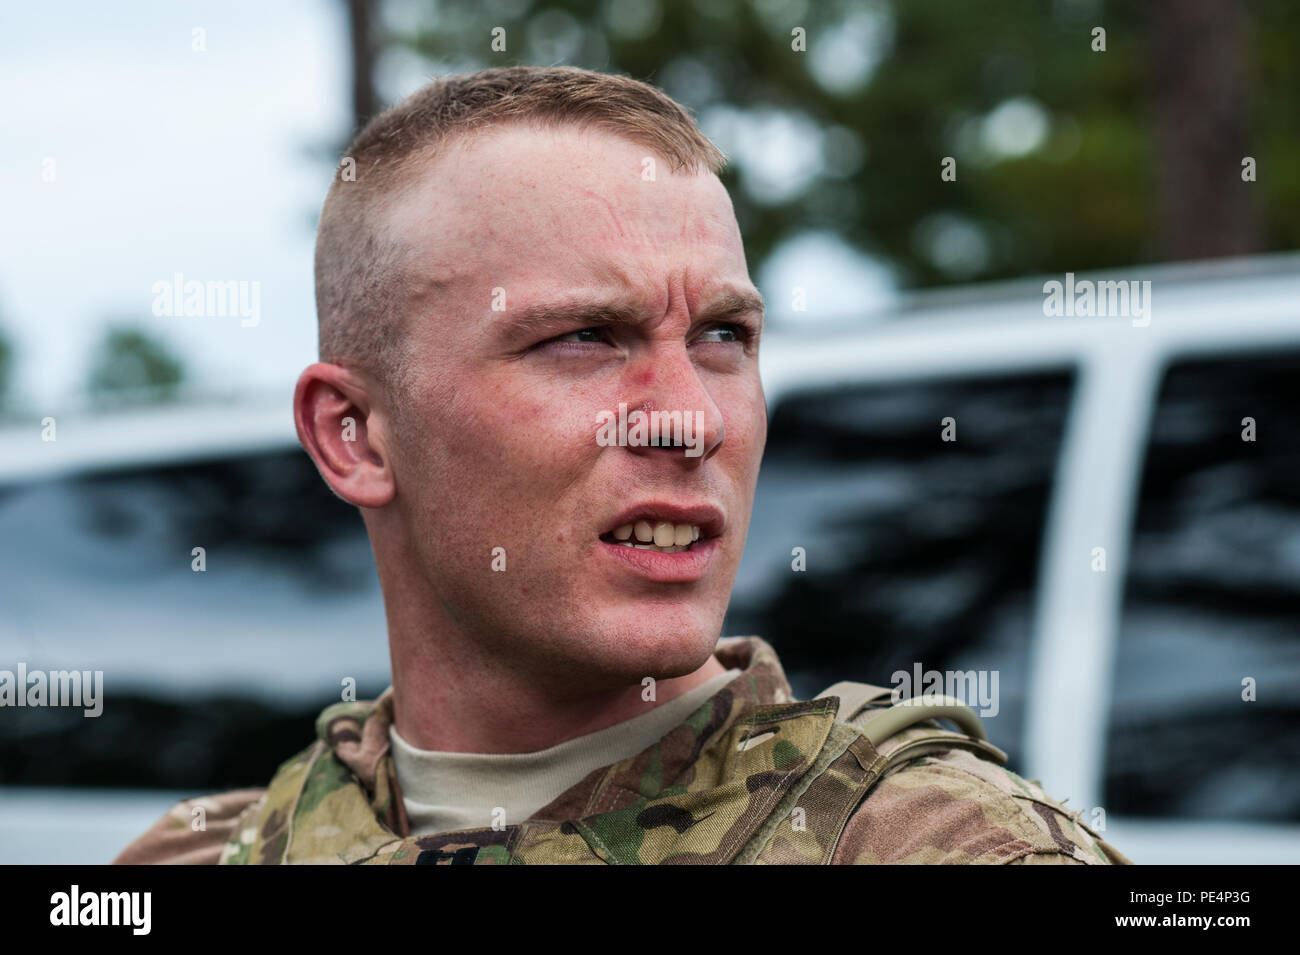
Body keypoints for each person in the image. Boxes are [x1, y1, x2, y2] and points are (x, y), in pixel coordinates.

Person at [114, 65, 1130, 866]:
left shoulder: (939, 847)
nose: (692, 420)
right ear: (354, 434)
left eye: (724, 336)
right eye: (584, 339)